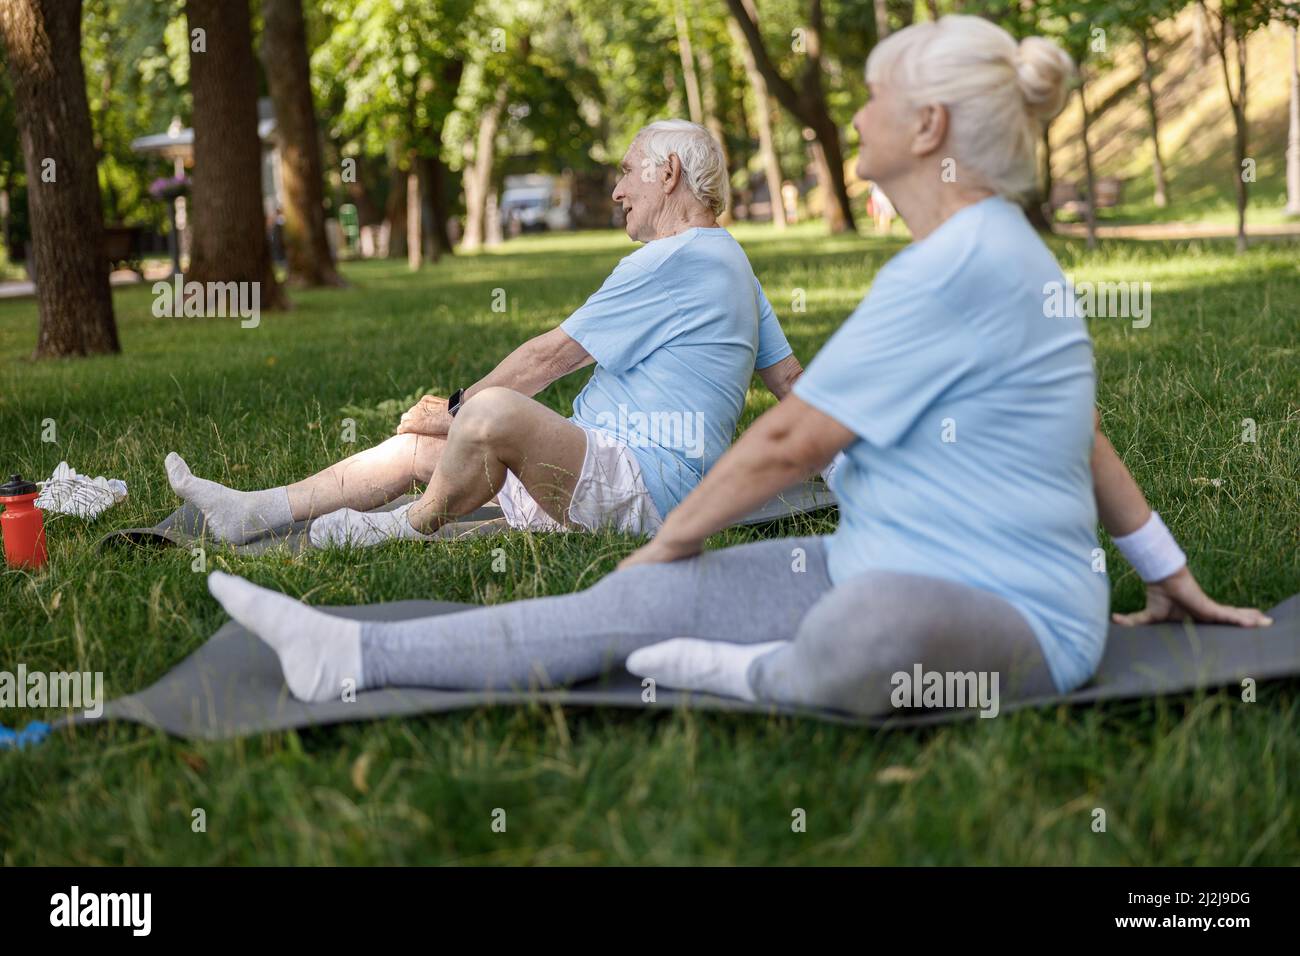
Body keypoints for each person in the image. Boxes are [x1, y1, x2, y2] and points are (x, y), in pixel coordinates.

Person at [205, 17, 1270, 713]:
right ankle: (351, 655)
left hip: (1014, 614)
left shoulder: (968, 263)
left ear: (928, 126)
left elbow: (789, 437)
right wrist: (1171, 577)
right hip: (873, 559)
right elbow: (1073, 431)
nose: (850, 113)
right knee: (633, 605)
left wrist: (665, 535)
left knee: (851, 623)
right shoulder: (959, 256)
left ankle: (741, 669)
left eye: (871, 97)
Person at [163, 120, 803, 548]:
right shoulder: (732, 262)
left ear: (668, 174)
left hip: (641, 489)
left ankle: (393, 531)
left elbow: (549, 357)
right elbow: (792, 386)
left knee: (493, 413)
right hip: (602, 471)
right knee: (421, 450)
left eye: (629, 172)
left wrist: (453, 412)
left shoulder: (678, 257)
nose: (616, 190)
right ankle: (257, 510)